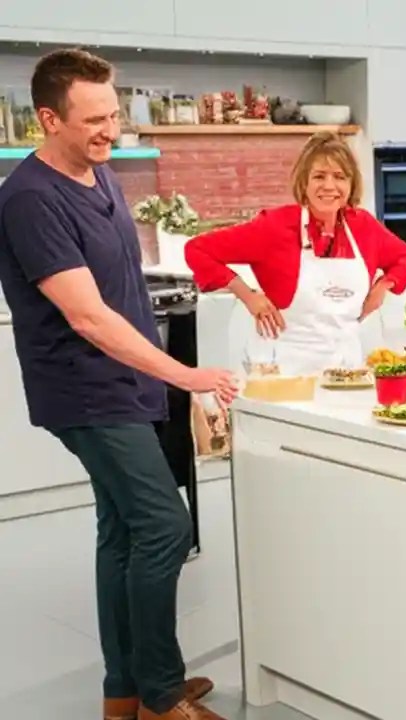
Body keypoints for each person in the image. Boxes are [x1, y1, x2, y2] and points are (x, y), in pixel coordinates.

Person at [0, 49, 237, 720]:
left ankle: (124, 691)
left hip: (123, 383)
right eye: (95, 120)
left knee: (124, 532)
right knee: (164, 525)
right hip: (84, 390)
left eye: (115, 115)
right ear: (48, 118)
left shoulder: (97, 173)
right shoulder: (27, 200)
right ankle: (162, 695)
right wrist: (187, 375)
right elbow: (86, 315)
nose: (112, 130)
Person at [184, 132, 406, 374]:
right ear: (304, 183)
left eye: (339, 177)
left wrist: (383, 286)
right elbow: (198, 250)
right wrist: (248, 295)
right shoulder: (275, 227)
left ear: (351, 185)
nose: (329, 186)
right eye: (319, 176)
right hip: (283, 372)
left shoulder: (363, 226)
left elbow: (405, 256)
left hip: (348, 373)